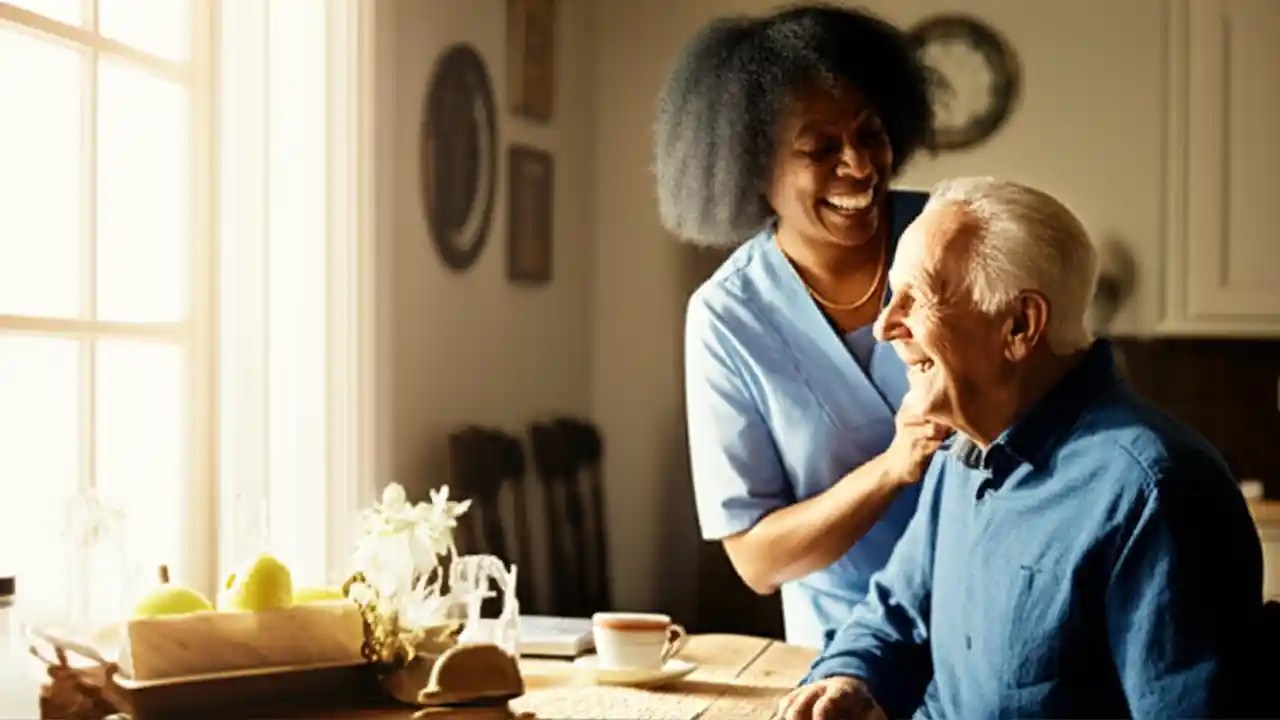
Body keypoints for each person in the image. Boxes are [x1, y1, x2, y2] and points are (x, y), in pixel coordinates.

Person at [776, 177, 1265, 719]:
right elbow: (897, 615)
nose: (886, 326)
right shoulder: (961, 446)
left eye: (920, 296)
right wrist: (849, 679)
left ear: (1019, 325)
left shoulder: (1159, 494)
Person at [655, 3, 950, 650]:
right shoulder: (728, 318)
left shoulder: (950, 238)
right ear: (751, 169)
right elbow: (758, 561)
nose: (861, 167)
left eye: (871, 134)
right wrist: (894, 467)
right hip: (844, 652)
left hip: (994, 630)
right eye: (821, 148)